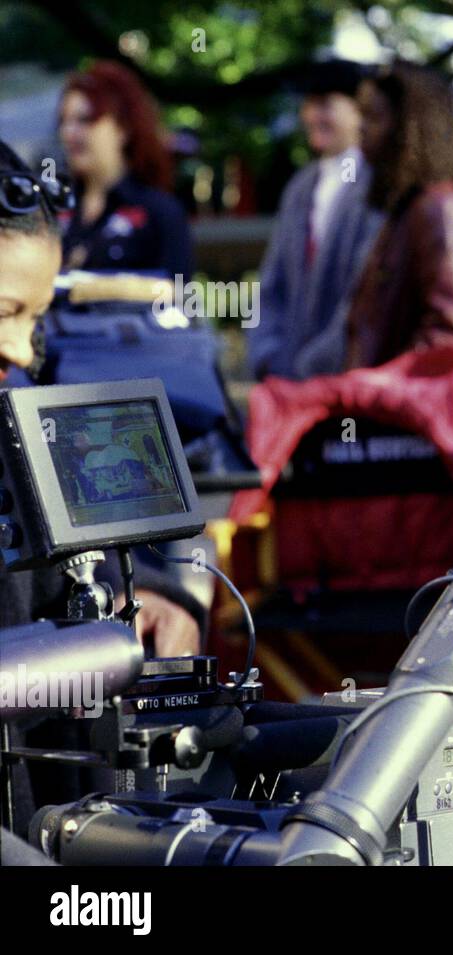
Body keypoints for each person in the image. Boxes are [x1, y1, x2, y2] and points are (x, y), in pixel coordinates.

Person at [1, 141, 205, 851]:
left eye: (35, 319)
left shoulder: (18, 409)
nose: (23, 350)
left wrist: (155, 597)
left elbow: (76, 564)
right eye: (4, 312)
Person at [297, 63, 453, 376]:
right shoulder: (403, 208)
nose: (361, 127)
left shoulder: (438, 209)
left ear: (410, 126)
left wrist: (379, 386)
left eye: (373, 117)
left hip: (398, 417)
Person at [247, 60, 382, 381]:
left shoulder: (378, 185)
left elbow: (363, 298)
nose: (310, 116)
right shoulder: (300, 186)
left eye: (324, 105)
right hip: (288, 380)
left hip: (350, 381)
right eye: (308, 105)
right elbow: (271, 285)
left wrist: (312, 369)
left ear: (358, 109)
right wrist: (266, 356)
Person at [57, 60, 191, 278]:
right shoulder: (54, 208)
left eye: (84, 120)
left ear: (123, 127)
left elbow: (178, 299)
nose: (68, 133)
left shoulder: (160, 212)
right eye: (64, 121)